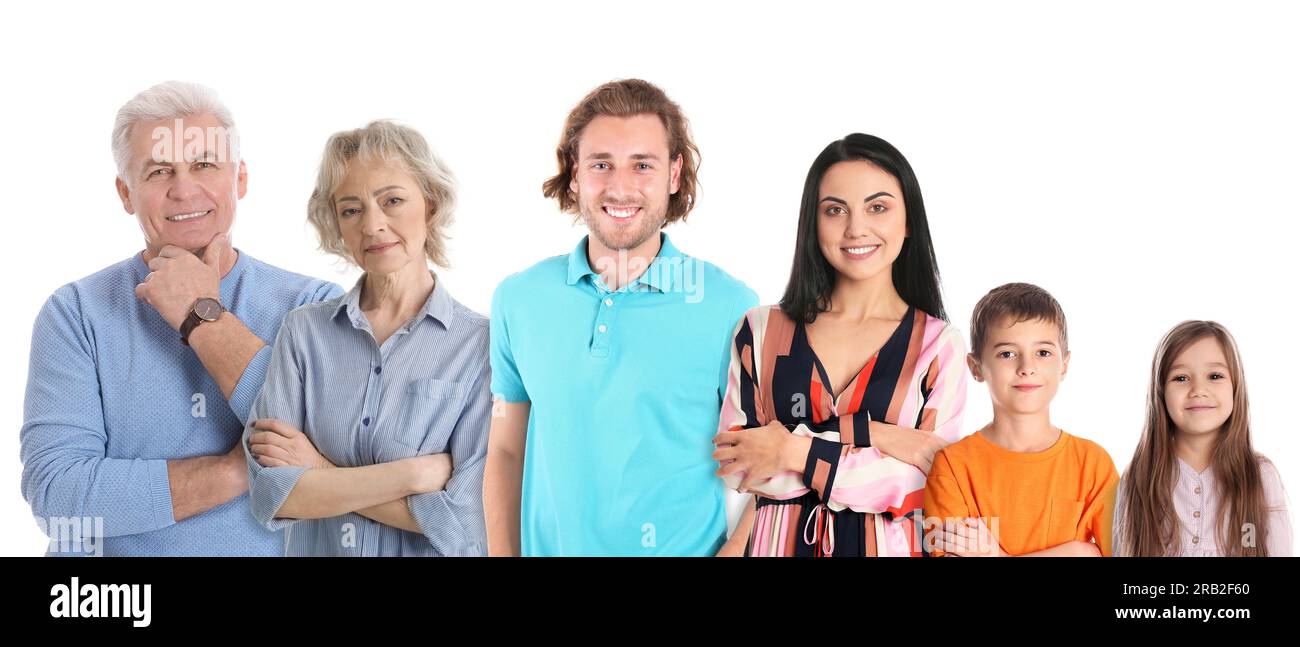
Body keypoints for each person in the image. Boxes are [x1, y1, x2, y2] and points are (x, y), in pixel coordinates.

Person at [20, 81, 342, 556]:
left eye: (204, 165)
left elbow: (341, 452)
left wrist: (201, 315)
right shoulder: (76, 314)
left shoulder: (315, 306)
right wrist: (238, 470)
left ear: (240, 179)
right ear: (126, 193)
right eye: (159, 172)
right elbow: (58, 496)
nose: (184, 190)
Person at [483, 79, 758, 556]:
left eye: (642, 165)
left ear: (674, 175)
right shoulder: (518, 299)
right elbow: (507, 451)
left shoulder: (731, 308)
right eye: (602, 164)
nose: (621, 187)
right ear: (575, 173)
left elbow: (775, 468)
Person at [243, 120, 490, 556]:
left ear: (431, 203)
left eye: (392, 201)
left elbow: (465, 524)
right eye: (351, 210)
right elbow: (273, 496)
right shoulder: (303, 333)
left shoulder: (480, 346)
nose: (373, 225)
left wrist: (318, 469)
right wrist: (413, 476)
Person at [715, 133, 967, 556]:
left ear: (909, 221)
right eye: (835, 210)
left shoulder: (938, 345)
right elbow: (738, 463)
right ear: (812, 223)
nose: (856, 228)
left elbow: (920, 482)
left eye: (878, 207)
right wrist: (878, 439)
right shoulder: (760, 330)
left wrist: (793, 451)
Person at [924, 283, 1117, 556]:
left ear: (1064, 365)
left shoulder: (1093, 464)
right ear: (976, 368)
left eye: (1043, 353)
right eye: (1007, 354)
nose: (1027, 368)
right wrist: (1080, 551)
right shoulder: (951, 467)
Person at [1114, 320, 1292, 556]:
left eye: (1215, 376)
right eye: (1181, 378)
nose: (1198, 389)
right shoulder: (1139, 476)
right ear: (1161, 391)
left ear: (1236, 386)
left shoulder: (1259, 476)